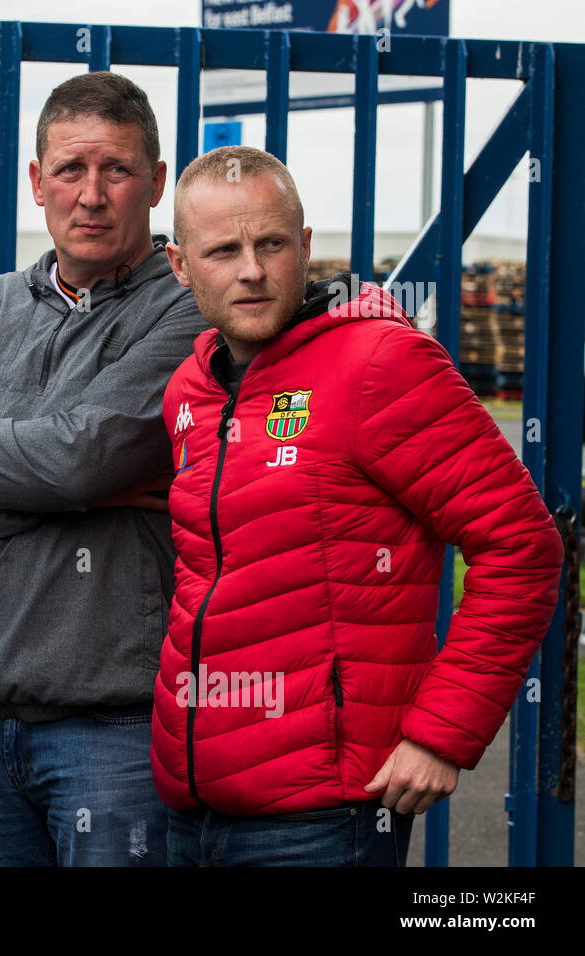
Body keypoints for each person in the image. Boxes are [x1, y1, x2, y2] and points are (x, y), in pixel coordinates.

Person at [155, 145, 563, 866]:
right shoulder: (191, 390)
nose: (251, 269)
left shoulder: (381, 362)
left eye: (271, 243)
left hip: (322, 817)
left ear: (305, 247)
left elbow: (522, 546)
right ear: (181, 265)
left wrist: (443, 732)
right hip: (195, 803)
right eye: (223, 250)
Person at [0, 71, 207, 866]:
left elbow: (83, 458)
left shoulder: (186, 307)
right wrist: (79, 488)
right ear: (38, 183)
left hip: (110, 730)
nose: (93, 194)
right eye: (71, 170)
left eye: (116, 170)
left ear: (157, 182)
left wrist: (60, 474)